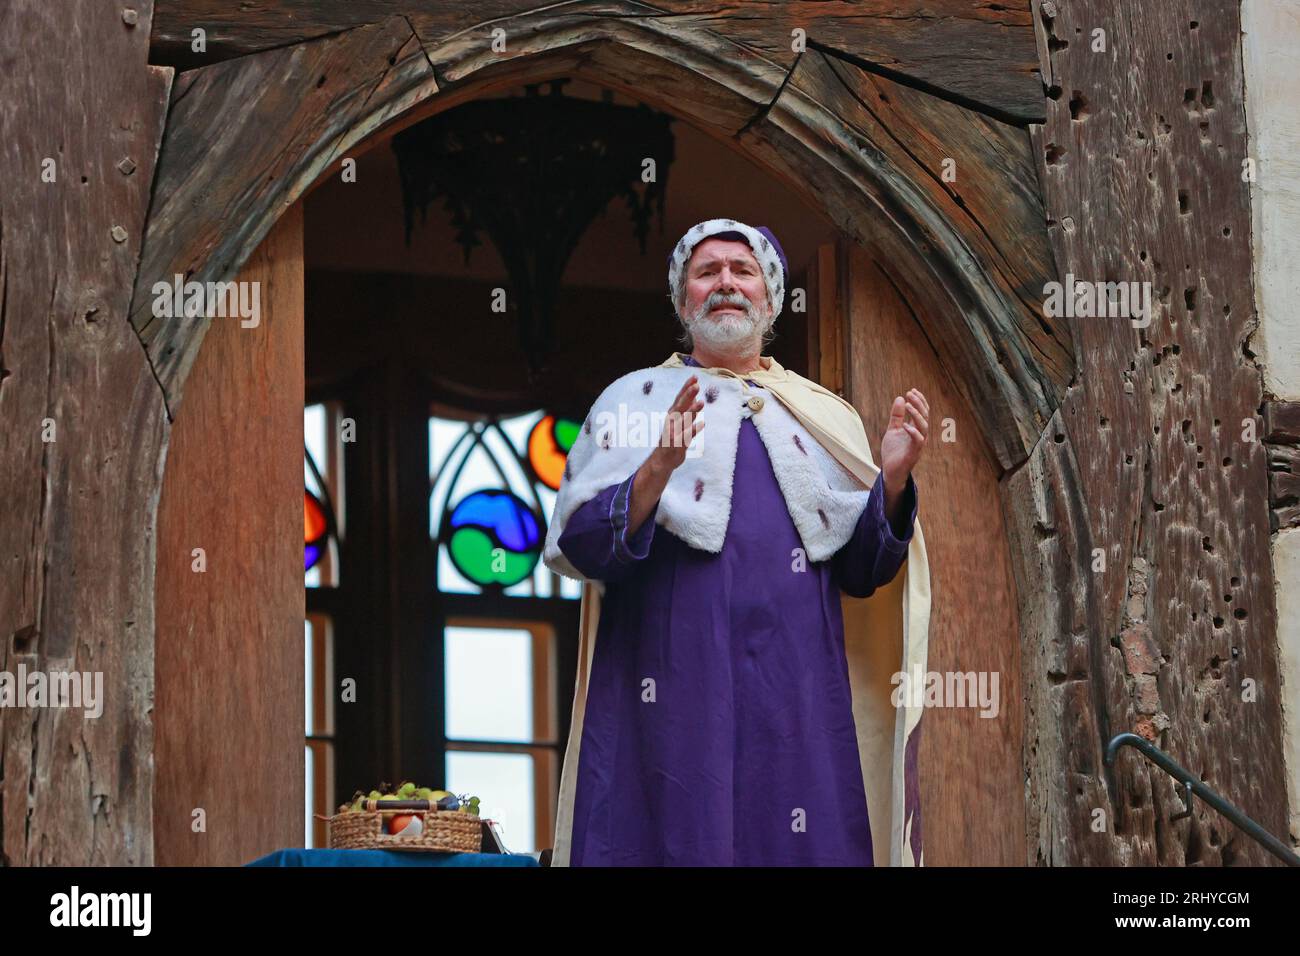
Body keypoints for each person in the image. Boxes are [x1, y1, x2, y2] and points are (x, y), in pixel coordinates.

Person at [543, 218, 930, 865]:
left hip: (795, 686)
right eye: (707, 272)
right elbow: (580, 545)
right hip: (669, 679)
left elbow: (863, 572)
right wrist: (658, 467)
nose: (726, 282)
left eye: (742, 270)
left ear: (770, 300)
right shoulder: (631, 401)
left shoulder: (824, 414)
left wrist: (890, 481)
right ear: (683, 300)